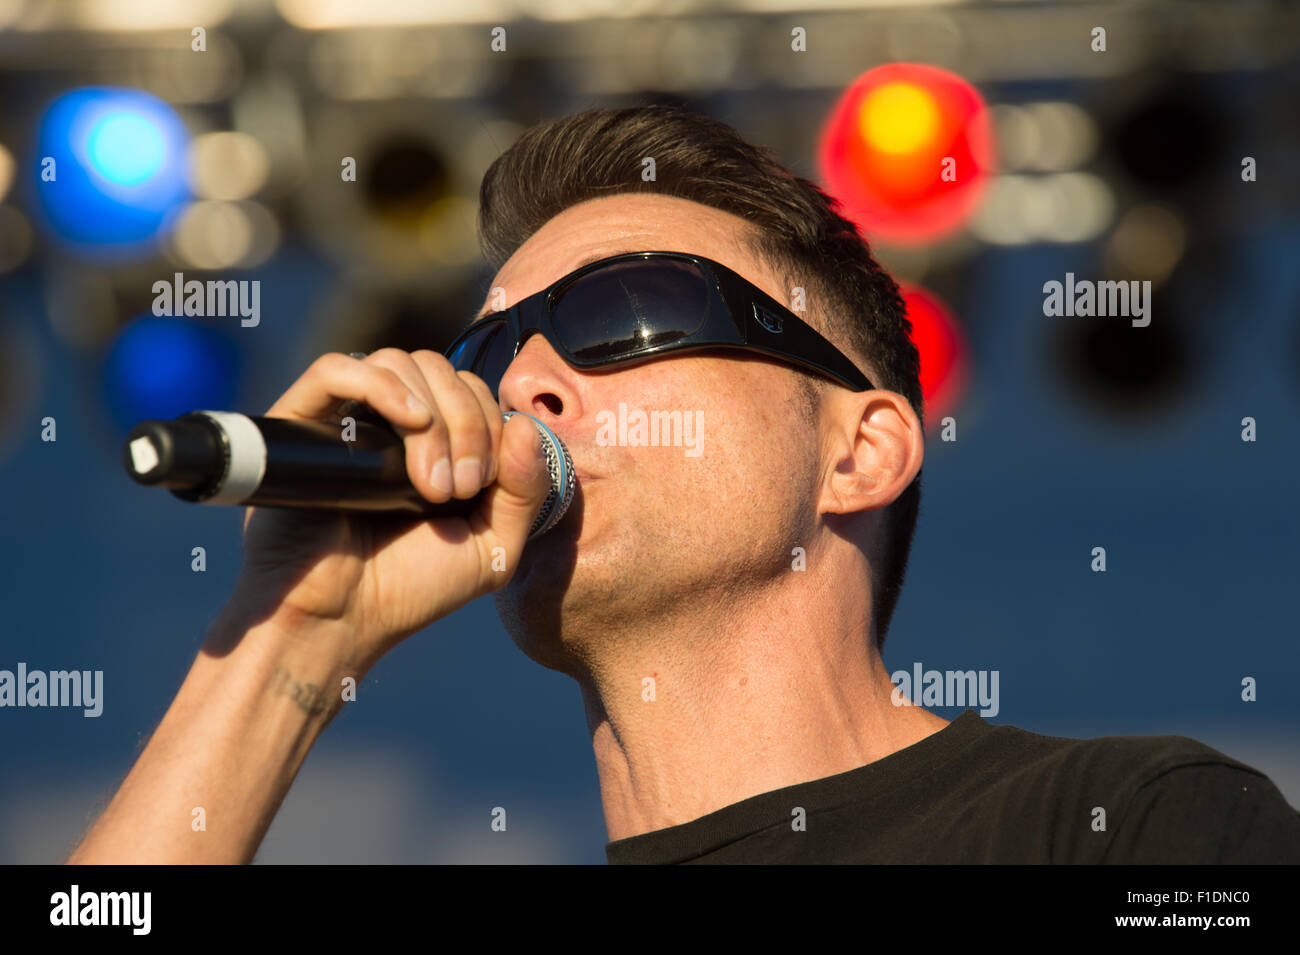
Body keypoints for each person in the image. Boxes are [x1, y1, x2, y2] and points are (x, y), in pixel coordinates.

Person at [68, 105, 1300, 864]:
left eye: (627, 311)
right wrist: (292, 636)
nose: (523, 381)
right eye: (486, 352)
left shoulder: (1133, 829)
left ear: (860, 451)